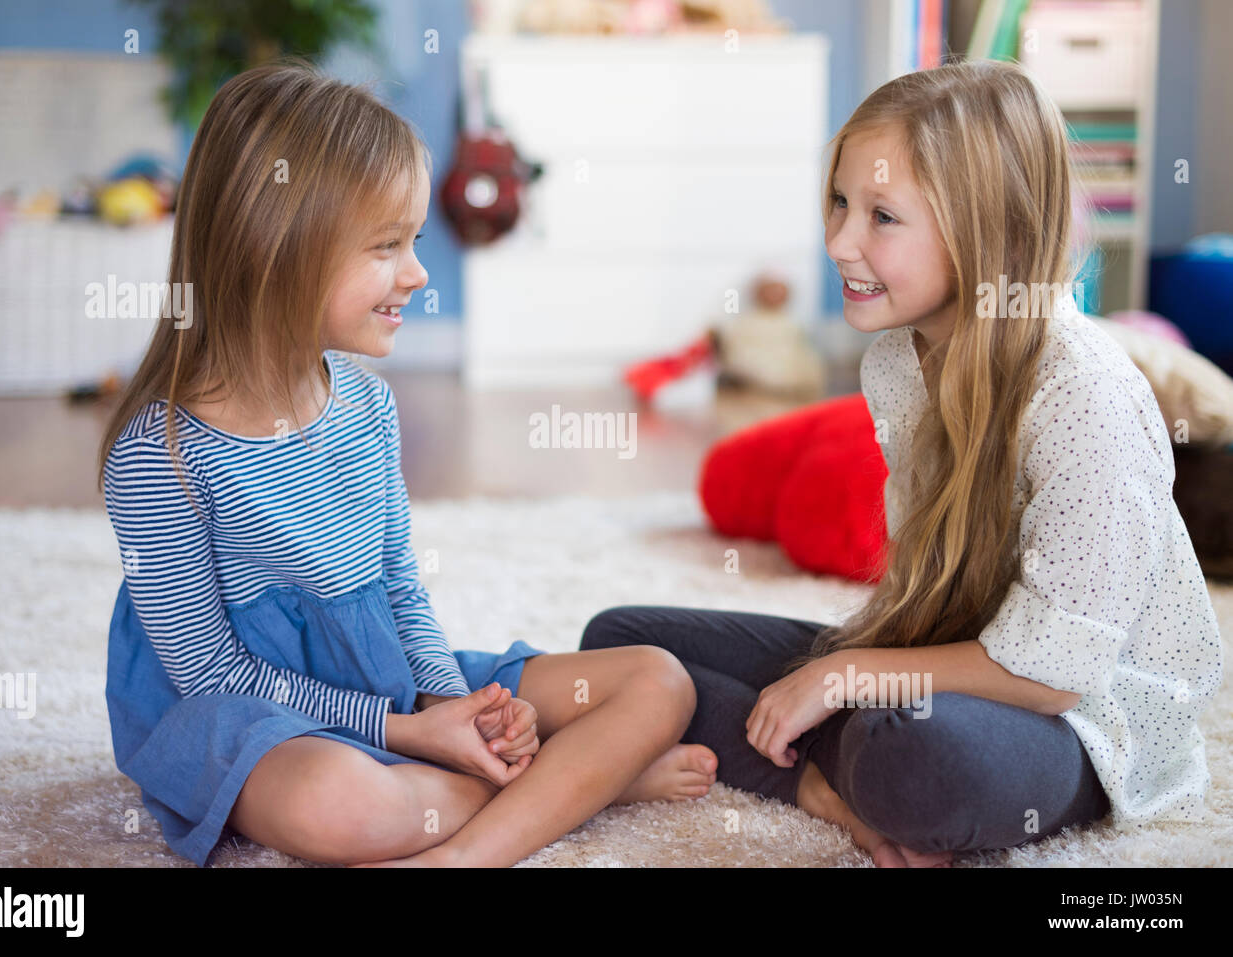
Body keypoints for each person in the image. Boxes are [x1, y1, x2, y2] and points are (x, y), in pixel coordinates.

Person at [582, 59, 1224, 868]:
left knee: (907, 754)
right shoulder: (896, 362)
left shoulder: (1085, 394)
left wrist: (846, 676)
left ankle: (845, 771)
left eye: (882, 216)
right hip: (946, 665)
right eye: (841, 202)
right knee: (623, 648)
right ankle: (828, 791)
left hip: (1081, 725)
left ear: (987, 229)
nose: (838, 240)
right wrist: (852, 671)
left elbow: (1057, 675)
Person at [98, 61, 715, 868]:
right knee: (338, 803)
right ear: (272, 250)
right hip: (255, 716)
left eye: (412, 241)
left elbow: (398, 582)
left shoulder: (368, 404)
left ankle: (470, 842)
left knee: (658, 680)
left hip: (391, 682)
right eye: (387, 247)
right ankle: (582, 782)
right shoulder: (159, 455)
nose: (418, 274)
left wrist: (450, 707)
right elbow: (212, 672)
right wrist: (408, 732)